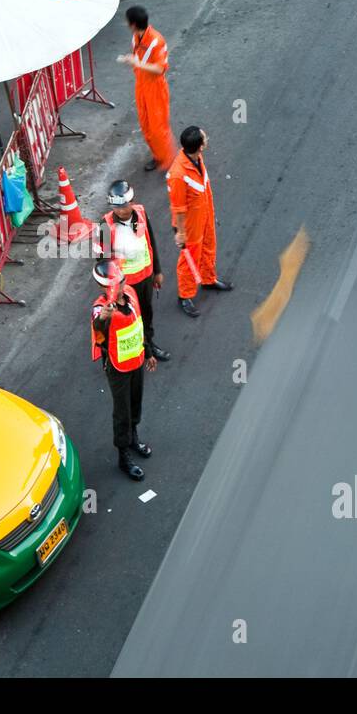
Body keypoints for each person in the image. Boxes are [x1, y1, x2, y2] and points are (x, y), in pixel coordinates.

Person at [90, 259, 157, 481]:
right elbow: (99, 332)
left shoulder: (130, 294)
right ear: (105, 287)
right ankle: (123, 455)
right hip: (117, 369)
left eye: (122, 281)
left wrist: (147, 353)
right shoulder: (101, 309)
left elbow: (138, 325)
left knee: (136, 403)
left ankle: (134, 438)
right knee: (122, 411)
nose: (122, 285)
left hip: (136, 361)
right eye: (117, 283)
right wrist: (102, 320)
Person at [100, 180, 170, 361]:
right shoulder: (106, 225)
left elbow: (150, 241)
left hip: (146, 278)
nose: (121, 210)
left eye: (125, 205)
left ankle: (149, 345)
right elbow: (103, 261)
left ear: (132, 201)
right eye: (117, 207)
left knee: (146, 313)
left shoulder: (141, 213)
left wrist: (158, 271)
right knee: (130, 319)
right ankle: (134, 351)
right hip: (126, 285)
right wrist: (111, 290)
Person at [167, 125, 233, 317]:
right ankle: (185, 295)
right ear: (200, 146)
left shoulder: (196, 159)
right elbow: (178, 208)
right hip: (189, 225)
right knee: (190, 260)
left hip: (204, 216)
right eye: (205, 137)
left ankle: (208, 278)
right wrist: (180, 233)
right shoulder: (179, 175)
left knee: (208, 248)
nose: (207, 138)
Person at [117, 6, 175, 172]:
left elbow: (160, 69)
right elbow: (138, 57)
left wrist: (137, 63)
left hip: (155, 88)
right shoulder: (136, 38)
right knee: (146, 125)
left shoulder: (157, 41)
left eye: (128, 22)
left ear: (133, 24)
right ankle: (158, 156)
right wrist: (131, 59)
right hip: (141, 86)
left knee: (158, 127)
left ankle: (167, 161)